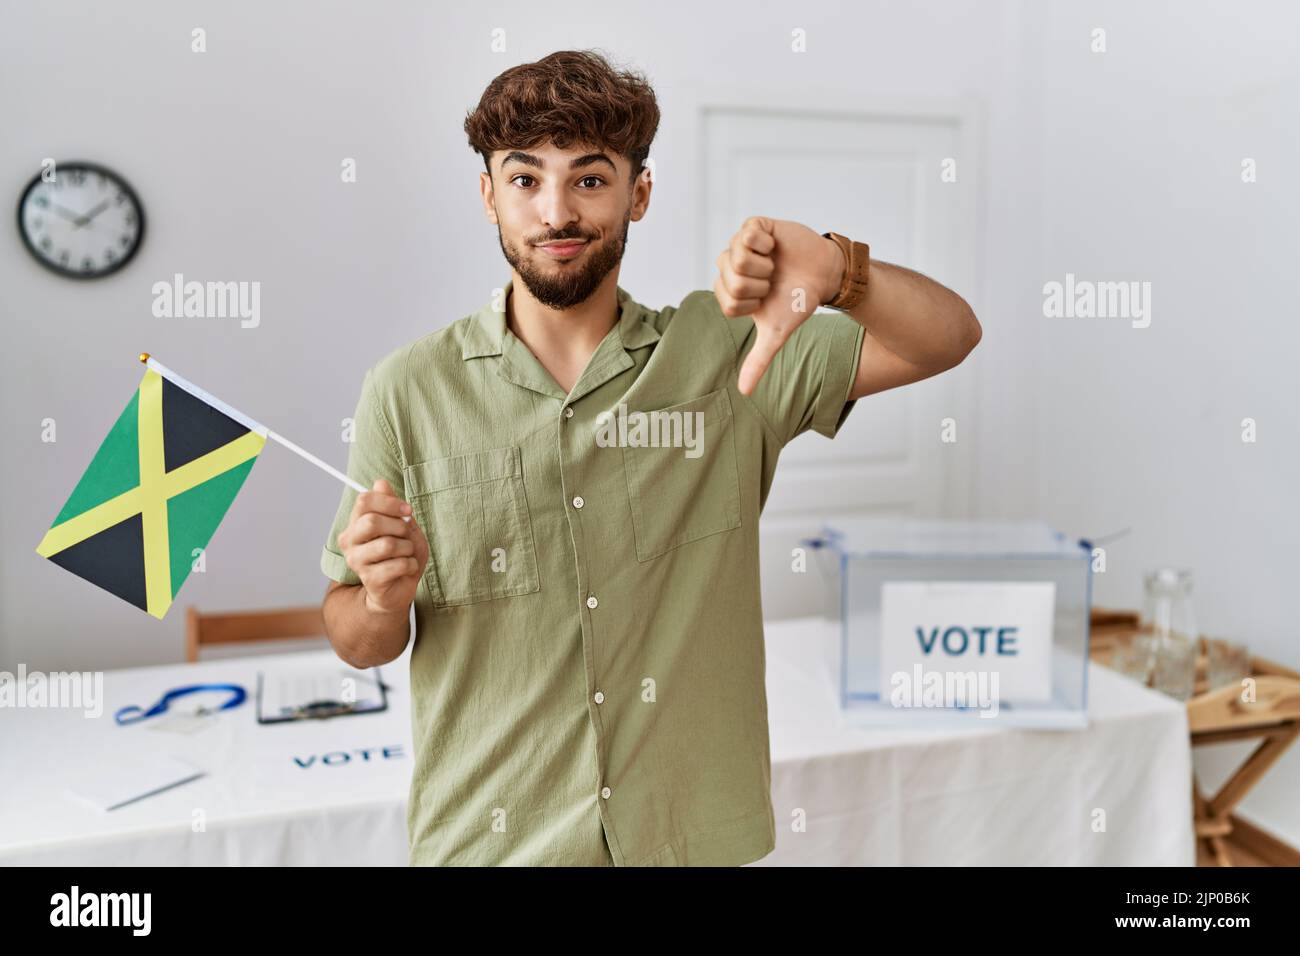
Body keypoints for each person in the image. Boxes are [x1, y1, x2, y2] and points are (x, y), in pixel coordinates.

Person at [320, 49, 981, 866]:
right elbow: (357, 637)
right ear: (488, 195)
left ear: (639, 192)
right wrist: (383, 600)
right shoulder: (406, 390)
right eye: (526, 180)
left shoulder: (734, 354)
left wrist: (844, 271)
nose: (556, 211)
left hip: (689, 844)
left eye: (589, 179)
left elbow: (949, 338)